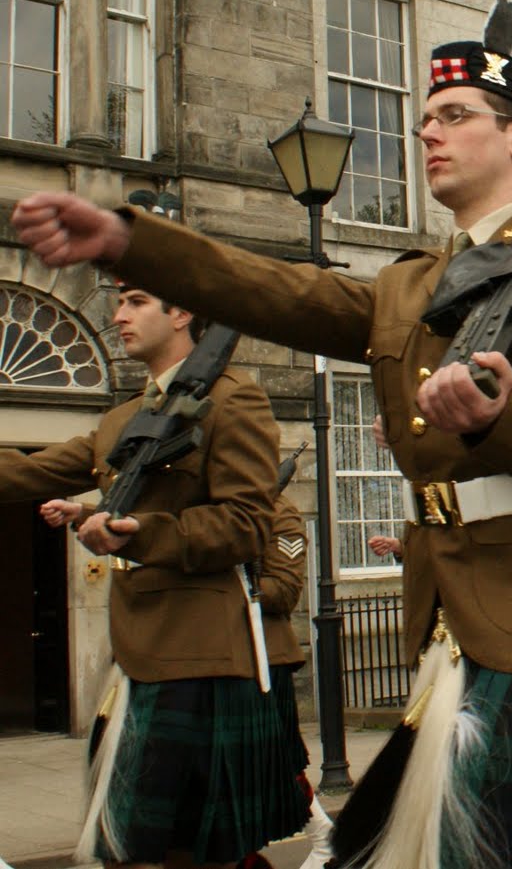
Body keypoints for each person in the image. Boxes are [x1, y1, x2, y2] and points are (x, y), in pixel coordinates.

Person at [10, 0, 512, 865]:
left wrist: (506, 417)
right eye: (426, 115)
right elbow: (281, 290)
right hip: (455, 625)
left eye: (451, 114)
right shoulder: (411, 282)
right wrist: (132, 242)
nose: (425, 130)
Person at [2, 283, 296, 867]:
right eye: (119, 302)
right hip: (138, 657)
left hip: (203, 656)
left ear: (182, 310)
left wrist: (141, 534)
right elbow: (31, 472)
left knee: (195, 853)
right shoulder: (121, 421)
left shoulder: (235, 400)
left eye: (136, 301)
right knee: (129, 849)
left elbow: (244, 525)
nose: (118, 316)